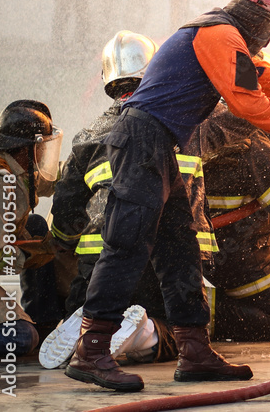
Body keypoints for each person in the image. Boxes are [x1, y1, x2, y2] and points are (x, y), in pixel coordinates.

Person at [66, 0, 270, 392]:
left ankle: (194, 350)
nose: (269, 38)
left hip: (160, 146)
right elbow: (246, 101)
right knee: (128, 242)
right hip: (143, 141)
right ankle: (91, 351)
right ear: (259, 20)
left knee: (181, 247)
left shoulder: (223, 37)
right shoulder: (218, 33)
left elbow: (267, 80)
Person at [40, 31, 180, 369]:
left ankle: (80, 325)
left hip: (96, 269)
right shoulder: (176, 126)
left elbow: (66, 212)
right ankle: (142, 332)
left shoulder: (86, 137)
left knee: (92, 308)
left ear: (108, 80)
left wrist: (67, 247)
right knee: (177, 334)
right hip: (156, 265)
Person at [197, 101, 270, 342]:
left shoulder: (188, 130)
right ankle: (195, 309)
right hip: (244, 263)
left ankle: (186, 305)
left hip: (199, 259)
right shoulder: (250, 141)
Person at [0, 100, 62, 357]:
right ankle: (35, 330)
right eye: (42, 147)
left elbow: (47, 180)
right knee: (21, 338)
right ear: (26, 150)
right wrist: (34, 253)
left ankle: (44, 322)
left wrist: (87, 162)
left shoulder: (13, 167)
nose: (45, 152)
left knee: (36, 226)